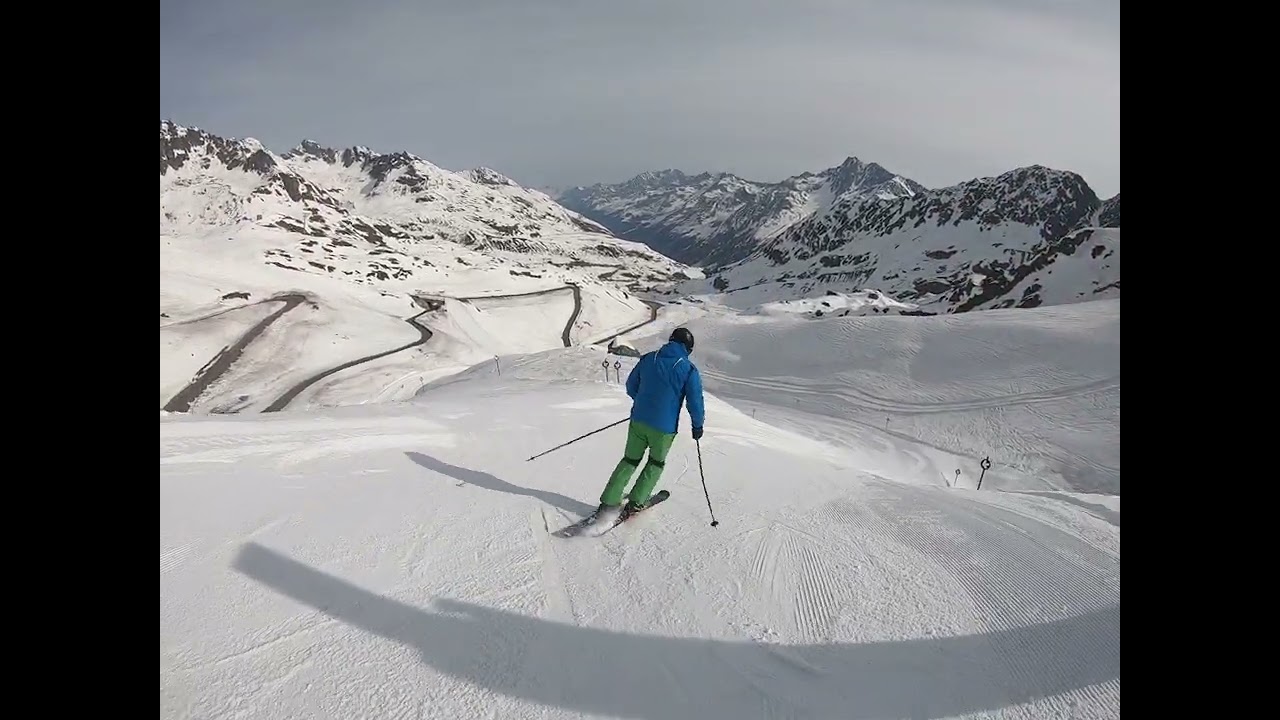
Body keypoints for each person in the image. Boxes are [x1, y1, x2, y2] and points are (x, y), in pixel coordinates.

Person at [596, 327, 705, 520]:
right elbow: (694, 402)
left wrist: (643, 404)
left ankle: (609, 500)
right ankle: (636, 502)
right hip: (664, 429)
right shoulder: (688, 369)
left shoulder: (648, 358)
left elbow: (631, 386)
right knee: (655, 463)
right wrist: (697, 426)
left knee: (629, 459)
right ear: (687, 348)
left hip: (638, 420)